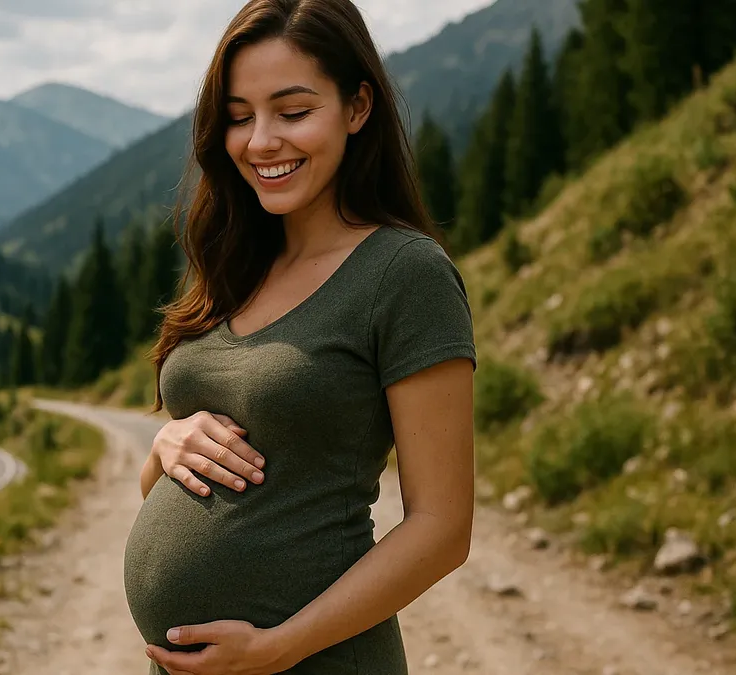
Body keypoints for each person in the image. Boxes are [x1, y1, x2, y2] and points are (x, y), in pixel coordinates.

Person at [122, 0, 477, 673]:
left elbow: (442, 529)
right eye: (238, 116)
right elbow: (190, 480)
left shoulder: (404, 274)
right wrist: (165, 445)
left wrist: (279, 646)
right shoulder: (238, 264)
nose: (260, 141)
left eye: (292, 111)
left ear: (357, 107)